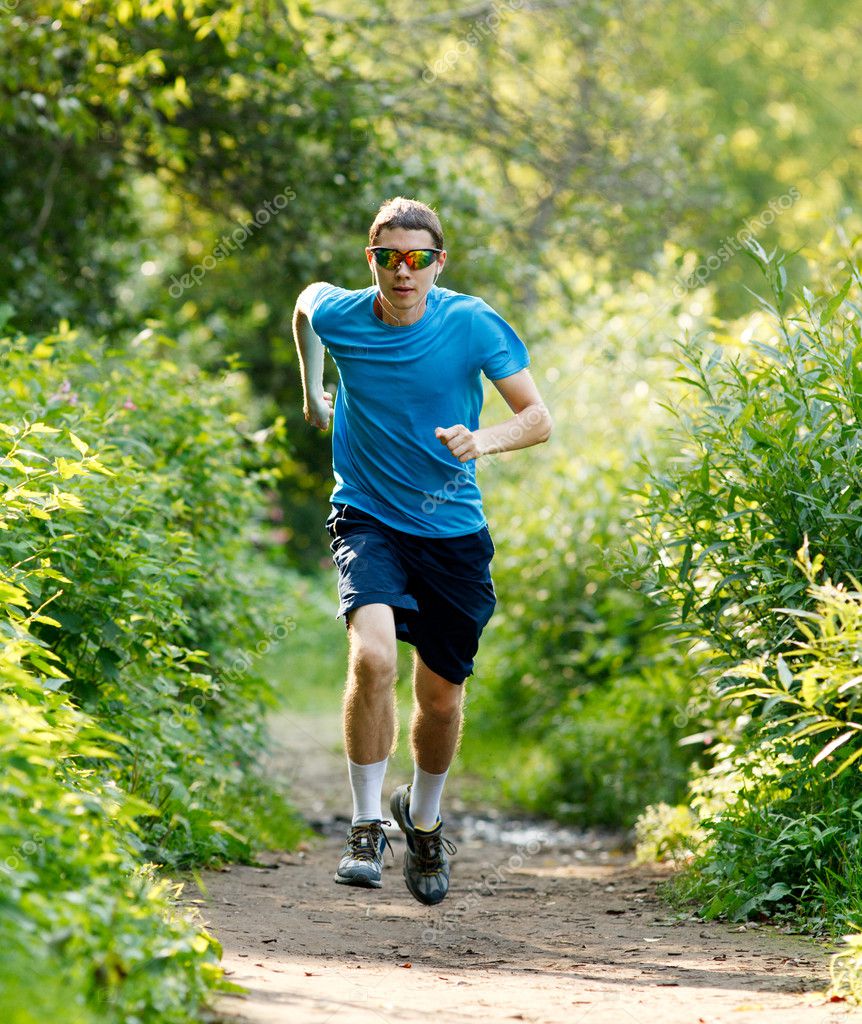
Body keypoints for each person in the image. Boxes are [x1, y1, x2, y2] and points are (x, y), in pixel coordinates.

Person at [292, 196, 552, 906]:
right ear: (369, 260)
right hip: (367, 515)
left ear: (439, 262)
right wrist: (315, 392)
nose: (402, 272)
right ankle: (366, 824)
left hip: (451, 533)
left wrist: (482, 440)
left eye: (417, 259)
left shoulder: (468, 322)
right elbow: (305, 307)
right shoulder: (344, 314)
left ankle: (425, 819)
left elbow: (536, 417)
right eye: (387, 258)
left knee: (440, 701)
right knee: (372, 657)